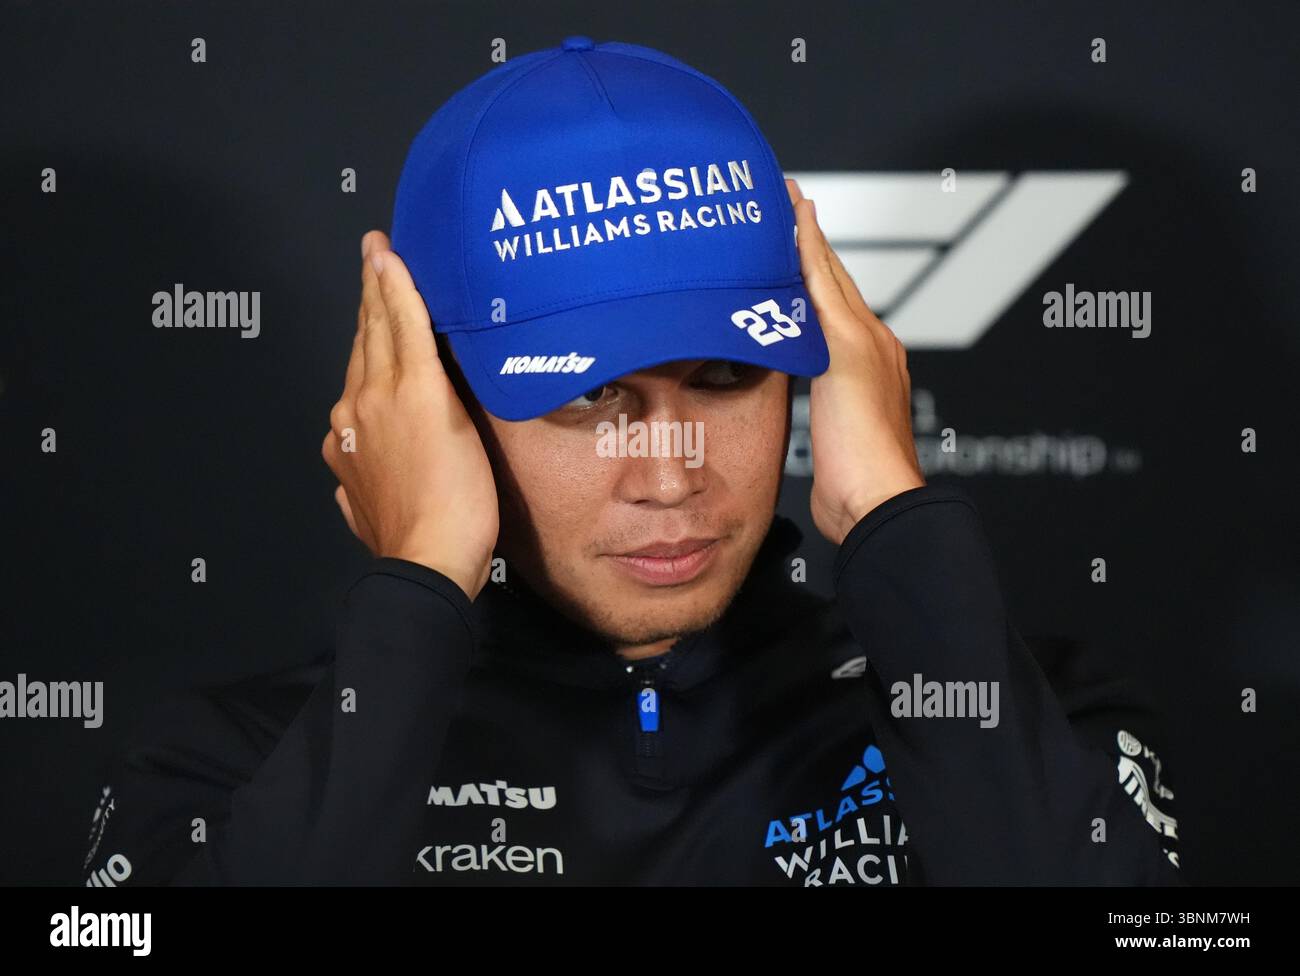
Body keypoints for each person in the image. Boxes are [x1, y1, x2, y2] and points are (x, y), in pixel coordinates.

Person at [78, 36, 1180, 887]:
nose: (669, 476)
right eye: (590, 394)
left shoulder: (1031, 712)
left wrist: (897, 519)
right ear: (437, 404)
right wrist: (413, 597)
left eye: (724, 380)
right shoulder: (234, 763)